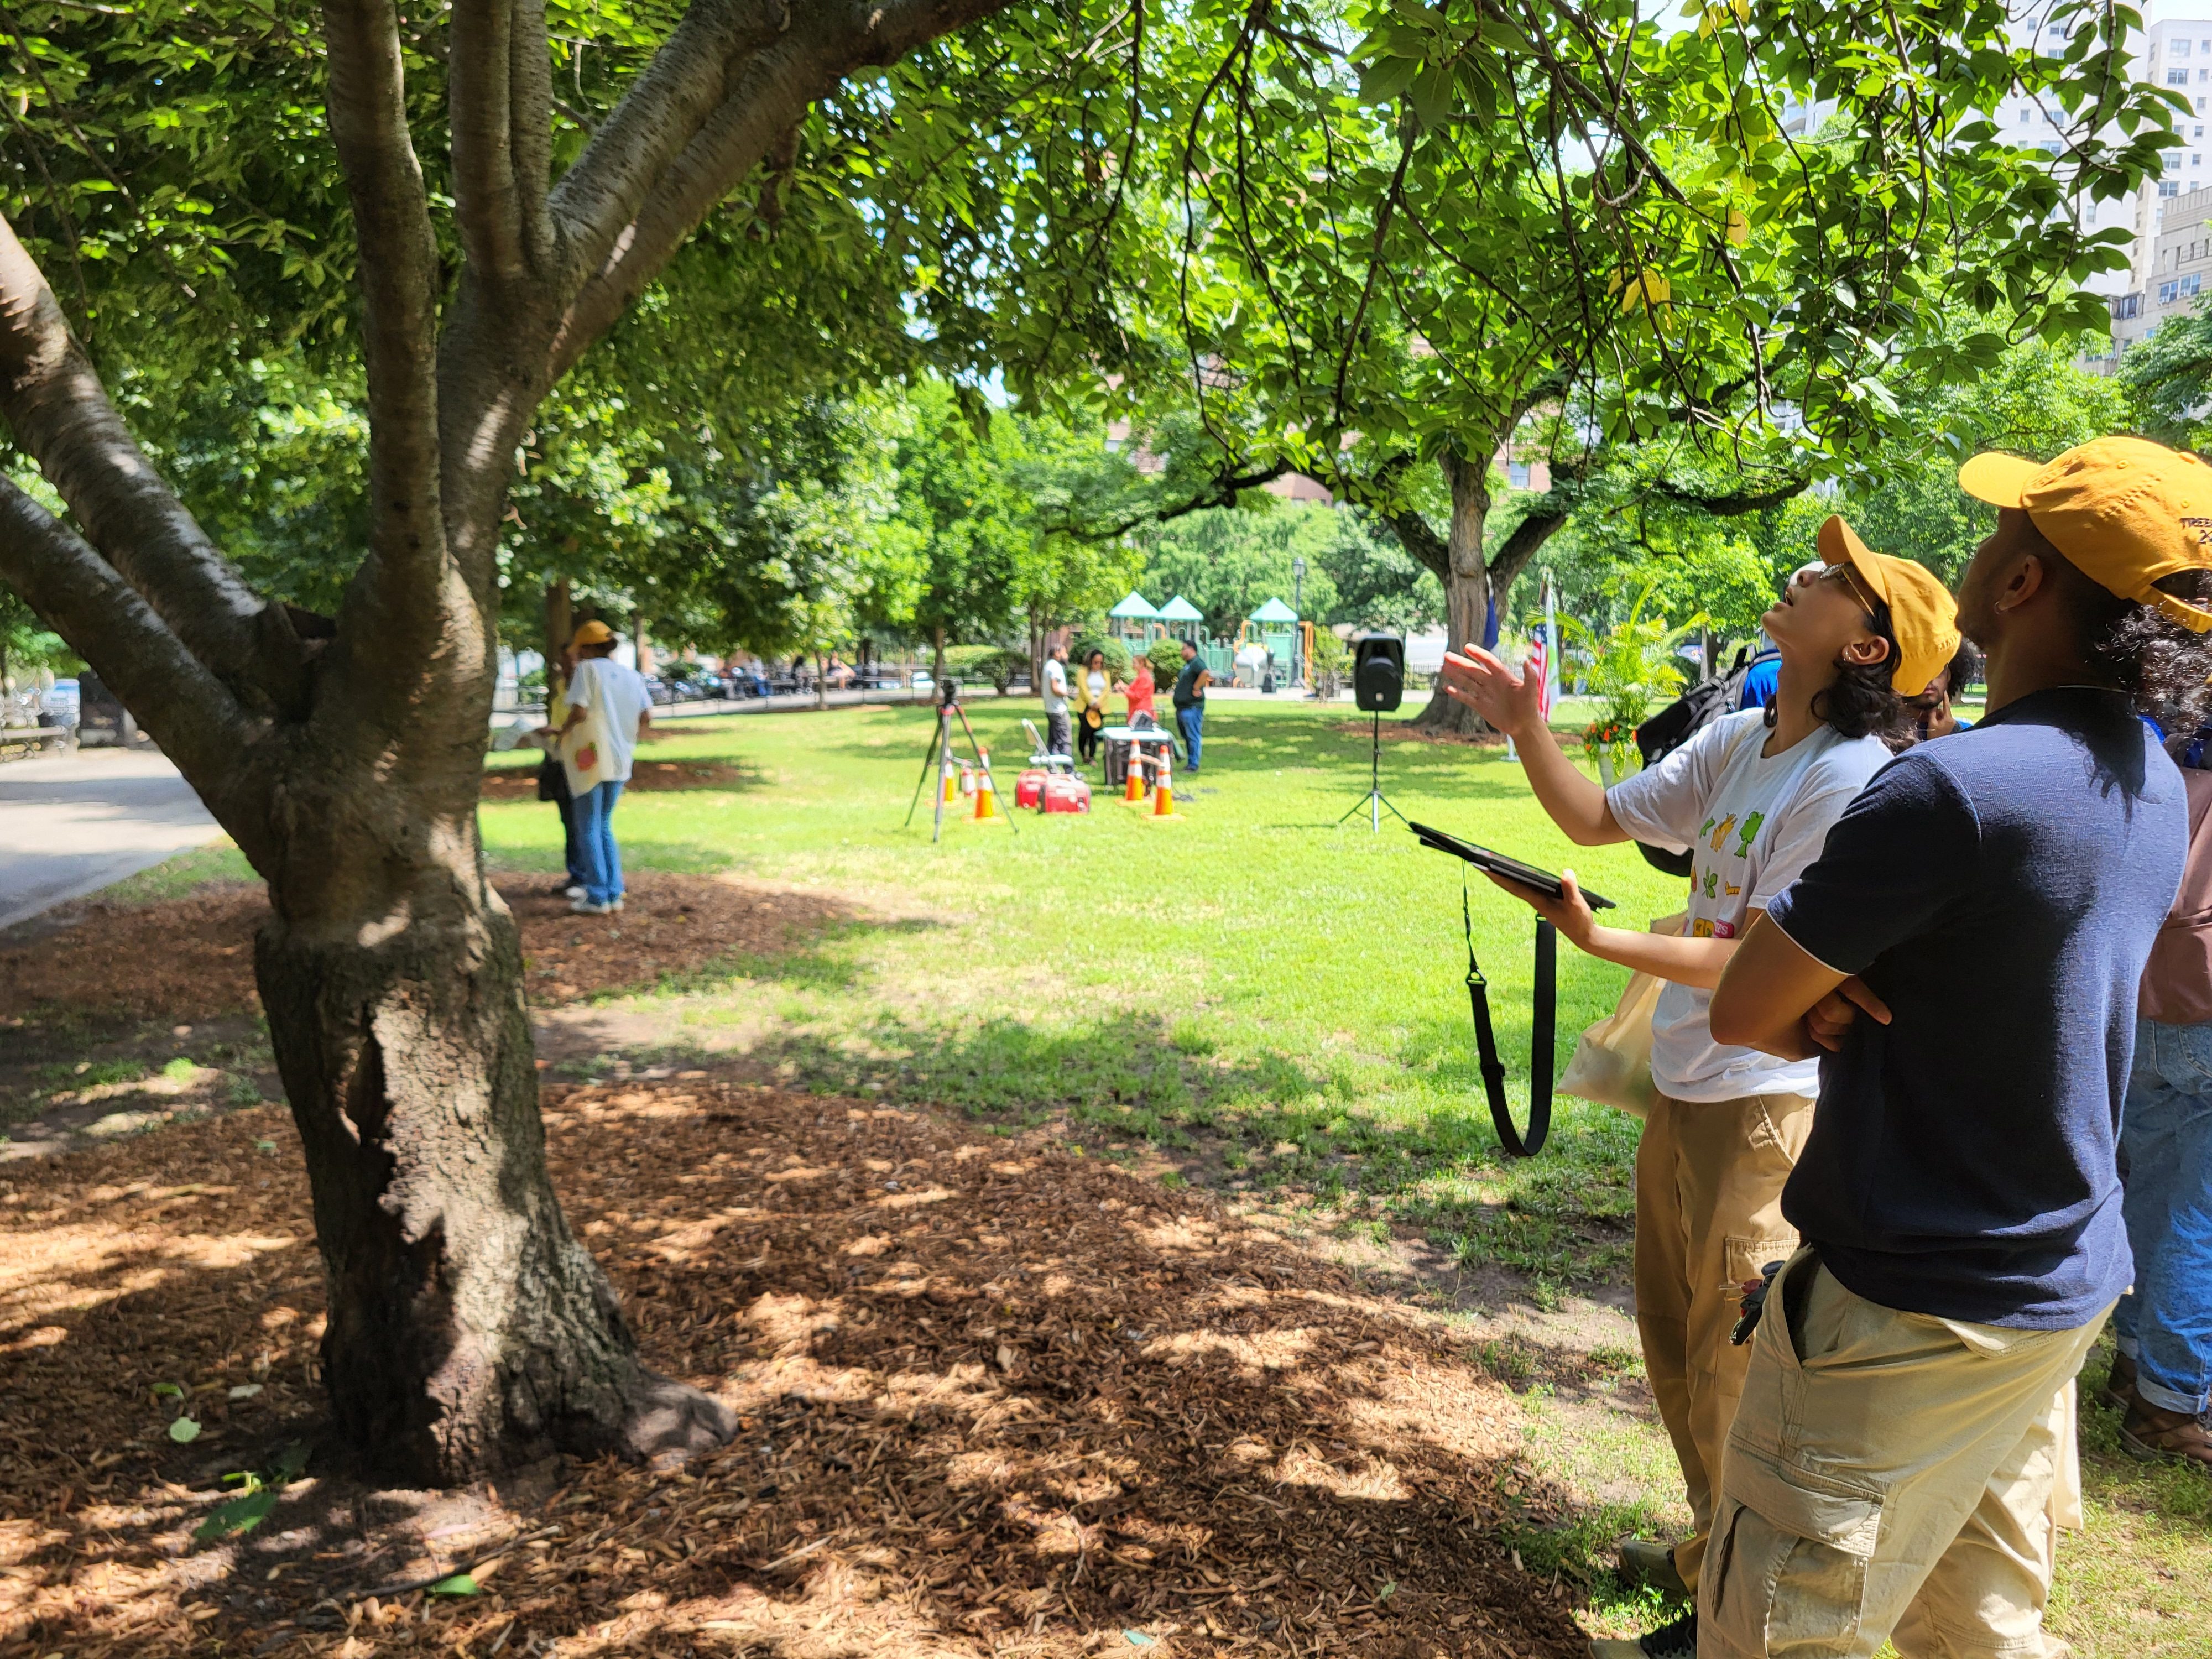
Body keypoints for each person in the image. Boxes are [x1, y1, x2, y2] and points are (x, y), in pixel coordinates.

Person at [1703, 436, 2212, 1659]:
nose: (1977, 550)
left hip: (1909, 1305)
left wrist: (1818, 993)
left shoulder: (1949, 790)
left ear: (2024, 585)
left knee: (1779, 1632)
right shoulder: (2143, 774)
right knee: (1980, 1629)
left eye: (2000, 534)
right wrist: (1838, 988)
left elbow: (1741, 1012)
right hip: (2054, 1282)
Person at [1442, 516, 1960, 1659]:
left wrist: (1603, 942)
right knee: (1675, 1343)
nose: (1801, 576)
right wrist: (1527, 728)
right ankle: (1701, 1549)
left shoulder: (1849, 782)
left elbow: (1762, 961)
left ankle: (1726, 1612)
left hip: (1765, 1106)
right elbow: (1593, 817)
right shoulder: (1739, 742)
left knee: (1734, 1362)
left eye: (1832, 581)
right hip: (1684, 1079)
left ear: (1868, 649)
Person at [2111, 723, 2212, 1469]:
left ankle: (2131, 1361)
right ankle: (2170, 1404)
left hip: (2142, 996)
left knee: (2148, 1185)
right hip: (2204, 1012)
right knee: (2199, 1210)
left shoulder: (2173, 745)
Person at [557, 620, 654, 916]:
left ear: (586, 647)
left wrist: (563, 731)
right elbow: (646, 716)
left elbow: (580, 711)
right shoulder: (631, 675)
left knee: (587, 826)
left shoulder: (587, 671)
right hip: (620, 758)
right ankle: (613, 891)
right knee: (604, 826)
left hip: (591, 757)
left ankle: (598, 896)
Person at [535, 640, 588, 900]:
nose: (568, 667)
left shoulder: (587, 687)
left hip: (580, 760)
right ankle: (576, 873)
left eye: (572, 661)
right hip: (559, 758)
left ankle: (588, 877)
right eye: (564, 663)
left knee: (583, 821)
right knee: (568, 819)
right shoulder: (559, 686)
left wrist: (561, 731)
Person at [1172, 639, 1211, 771]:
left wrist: (1196, 687)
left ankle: (1194, 764)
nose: (1182, 652)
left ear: (1191, 649)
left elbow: (1205, 672)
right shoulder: (1188, 665)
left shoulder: (1196, 662)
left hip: (1192, 707)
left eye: (1184, 649)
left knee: (1193, 735)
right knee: (1187, 736)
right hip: (1182, 707)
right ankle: (1190, 763)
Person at [1074, 648, 1116, 765]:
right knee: (1085, 732)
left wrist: (1098, 702)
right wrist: (1092, 702)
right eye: (1096, 662)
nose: (1098, 665)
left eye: (1100, 663)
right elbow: (1083, 689)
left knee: (1095, 733)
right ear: (1090, 661)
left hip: (1100, 707)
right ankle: (1084, 755)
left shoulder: (1105, 674)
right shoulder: (1083, 672)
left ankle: (1092, 756)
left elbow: (1107, 689)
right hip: (1086, 706)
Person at [1041, 642, 1072, 757]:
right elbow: (1055, 688)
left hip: (1050, 709)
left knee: (1053, 741)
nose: (1066, 655)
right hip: (1059, 710)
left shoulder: (1048, 665)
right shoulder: (1055, 667)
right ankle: (1069, 770)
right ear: (1057, 653)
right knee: (1065, 740)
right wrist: (1067, 693)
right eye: (1065, 652)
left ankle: (1052, 768)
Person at [1125, 654, 1159, 727]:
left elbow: (1138, 696)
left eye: (1134, 663)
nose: (1132, 665)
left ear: (1142, 663)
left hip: (1142, 713)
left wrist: (1125, 691)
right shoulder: (1141, 676)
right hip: (1138, 711)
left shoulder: (1144, 677)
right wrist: (1125, 688)